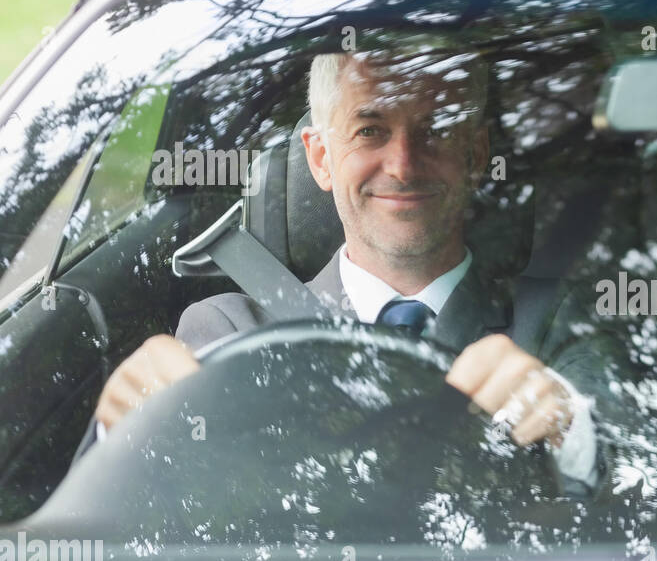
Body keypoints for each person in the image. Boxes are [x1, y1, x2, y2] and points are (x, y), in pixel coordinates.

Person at [91, 42, 616, 488]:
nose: (404, 164)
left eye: (435, 129)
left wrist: (568, 430)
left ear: (477, 155)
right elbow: (156, 507)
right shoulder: (233, 331)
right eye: (370, 130)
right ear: (320, 158)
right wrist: (125, 432)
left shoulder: (557, 324)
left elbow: (642, 480)